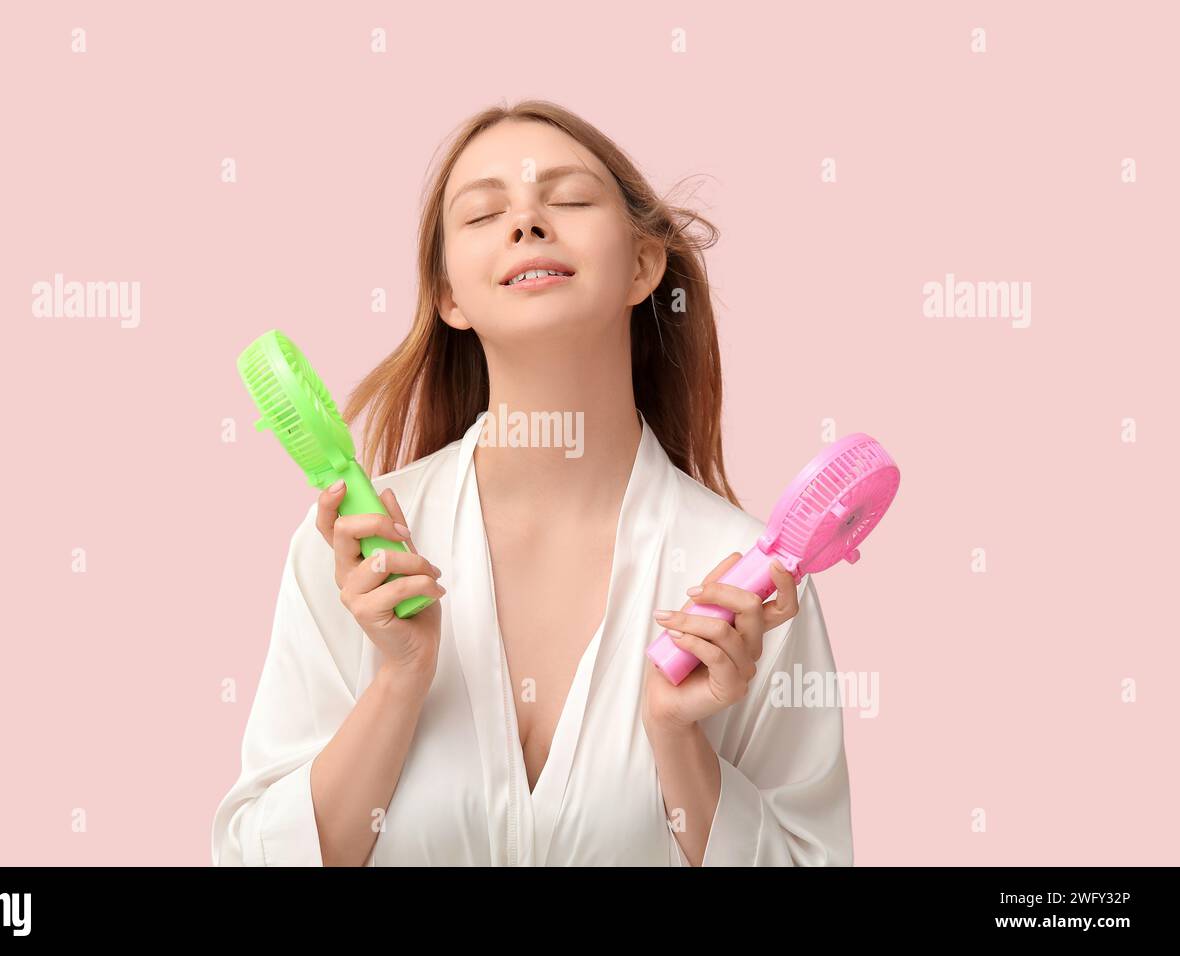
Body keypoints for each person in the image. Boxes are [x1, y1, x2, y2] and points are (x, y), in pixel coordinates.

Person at [211, 100, 853, 866]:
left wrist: (679, 740)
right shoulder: (358, 559)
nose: (526, 221)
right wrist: (400, 680)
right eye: (483, 214)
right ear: (449, 296)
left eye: (571, 199)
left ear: (643, 267)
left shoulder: (750, 586)